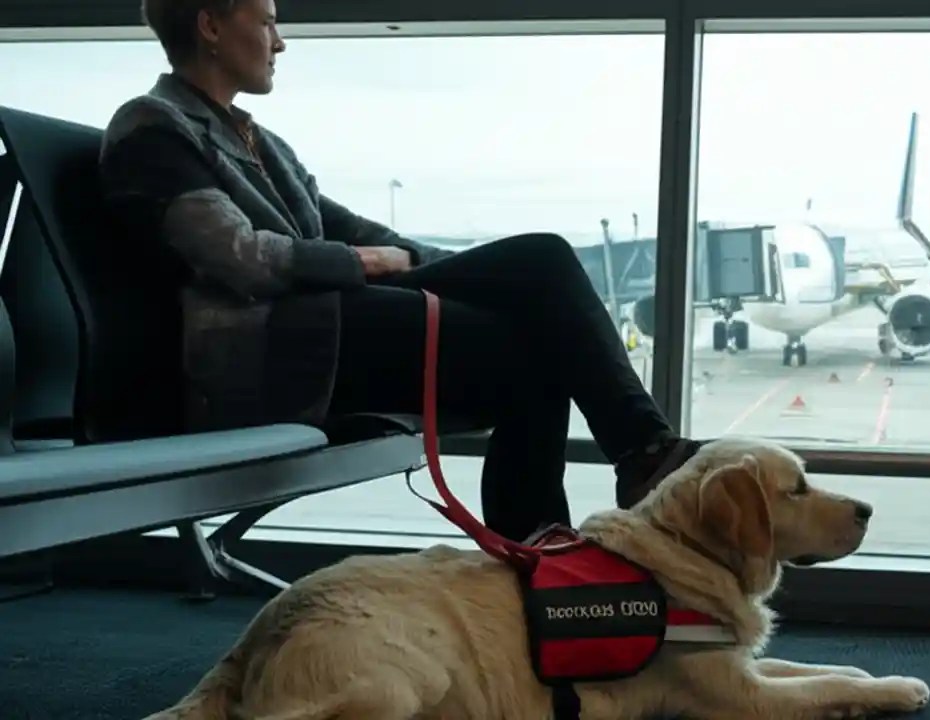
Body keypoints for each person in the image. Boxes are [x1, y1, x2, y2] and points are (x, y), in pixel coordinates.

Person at [99, 0, 703, 542]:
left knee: (535, 315)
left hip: (319, 328)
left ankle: (549, 544)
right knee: (542, 272)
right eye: (268, 22)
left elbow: (357, 230)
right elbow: (238, 256)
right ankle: (622, 471)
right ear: (209, 25)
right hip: (266, 354)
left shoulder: (263, 143)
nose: (279, 43)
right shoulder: (153, 128)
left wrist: (443, 265)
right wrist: (364, 263)